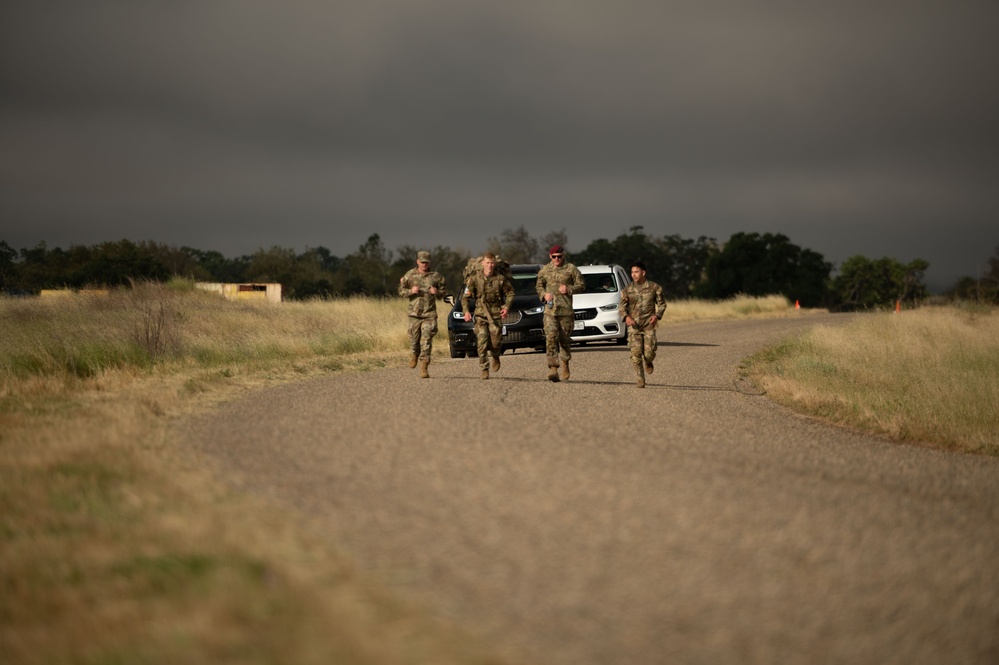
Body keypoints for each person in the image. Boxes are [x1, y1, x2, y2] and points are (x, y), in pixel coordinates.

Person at [462, 252, 514, 380]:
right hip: (480, 314)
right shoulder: (475, 279)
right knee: (482, 342)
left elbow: (511, 293)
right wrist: (466, 312)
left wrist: (506, 307)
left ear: (494, 264)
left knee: (495, 343)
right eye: (487, 263)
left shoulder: (500, 279)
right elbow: (465, 297)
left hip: (496, 314)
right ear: (483, 263)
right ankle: (484, 368)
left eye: (492, 263)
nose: (490, 266)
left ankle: (496, 356)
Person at [535, 245, 584, 382]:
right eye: (554, 257)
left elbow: (581, 285)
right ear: (550, 257)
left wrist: (569, 289)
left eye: (559, 257)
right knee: (550, 337)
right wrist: (544, 295)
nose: (557, 259)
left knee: (564, 340)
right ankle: (553, 367)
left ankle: (565, 363)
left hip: (566, 311)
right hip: (550, 311)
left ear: (563, 256)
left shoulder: (571, 269)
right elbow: (539, 286)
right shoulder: (545, 270)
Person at [398, 250, 447, 378]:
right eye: (422, 262)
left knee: (426, 341)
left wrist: (436, 292)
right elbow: (401, 291)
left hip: (429, 314)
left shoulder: (436, 276)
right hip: (414, 314)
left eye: (426, 262)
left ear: (429, 262)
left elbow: (443, 293)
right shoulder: (410, 275)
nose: (424, 264)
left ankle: (424, 366)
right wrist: (410, 291)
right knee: (414, 341)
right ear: (417, 261)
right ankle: (414, 353)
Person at [618, 261, 667, 388]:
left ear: (643, 273)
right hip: (634, 326)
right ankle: (640, 379)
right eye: (632, 272)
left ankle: (649, 361)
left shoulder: (654, 287)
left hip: (649, 325)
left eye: (636, 272)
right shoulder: (627, 290)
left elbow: (662, 304)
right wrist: (626, 317)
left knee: (649, 353)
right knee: (636, 354)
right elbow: (621, 307)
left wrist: (657, 316)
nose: (633, 275)